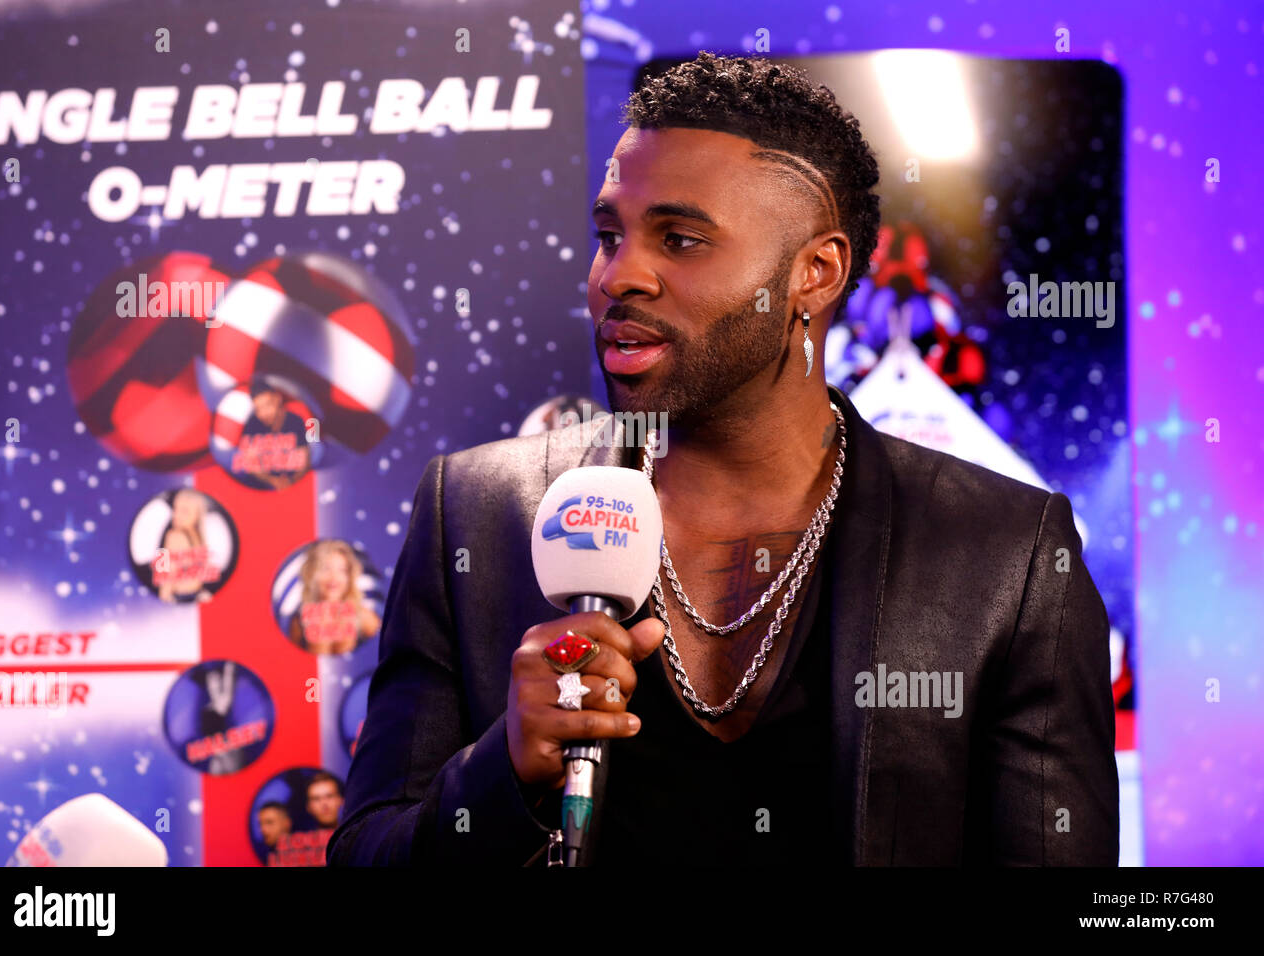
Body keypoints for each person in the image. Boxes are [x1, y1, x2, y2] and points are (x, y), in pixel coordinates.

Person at [328, 52, 1118, 867]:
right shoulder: (477, 510)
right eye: (609, 235)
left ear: (814, 274)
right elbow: (367, 855)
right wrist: (503, 770)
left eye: (681, 239)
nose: (618, 275)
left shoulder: (1007, 554)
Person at [288, 541, 381, 654]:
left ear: (349, 576)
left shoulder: (364, 616)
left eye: (342, 570)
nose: (334, 577)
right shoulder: (299, 620)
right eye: (326, 569)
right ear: (312, 573)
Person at [236, 383, 310, 490]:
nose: (263, 413)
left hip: (298, 484)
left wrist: (292, 480)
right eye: (258, 409)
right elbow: (249, 463)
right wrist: (273, 481)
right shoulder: (252, 425)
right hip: (264, 488)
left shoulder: (296, 421)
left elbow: (306, 458)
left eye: (267, 405)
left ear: (277, 399)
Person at [156, 488, 214, 603]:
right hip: (182, 595)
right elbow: (163, 569)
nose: (176, 515)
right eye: (175, 509)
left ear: (197, 514)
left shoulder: (193, 535)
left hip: (193, 594)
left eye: (185, 511)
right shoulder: (176, 535)